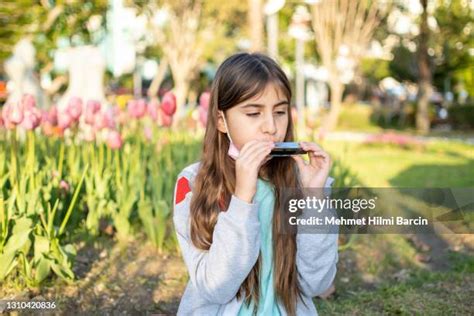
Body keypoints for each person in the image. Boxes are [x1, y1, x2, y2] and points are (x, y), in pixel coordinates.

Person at [173, 52, 338, 316]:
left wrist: (315, 200)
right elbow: (216, 288)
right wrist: (242, 198)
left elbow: (317, 283)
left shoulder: (297, 181)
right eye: (253, 113)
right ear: (221, 121)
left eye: (280, 112)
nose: (271, 127)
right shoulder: (193, 184)